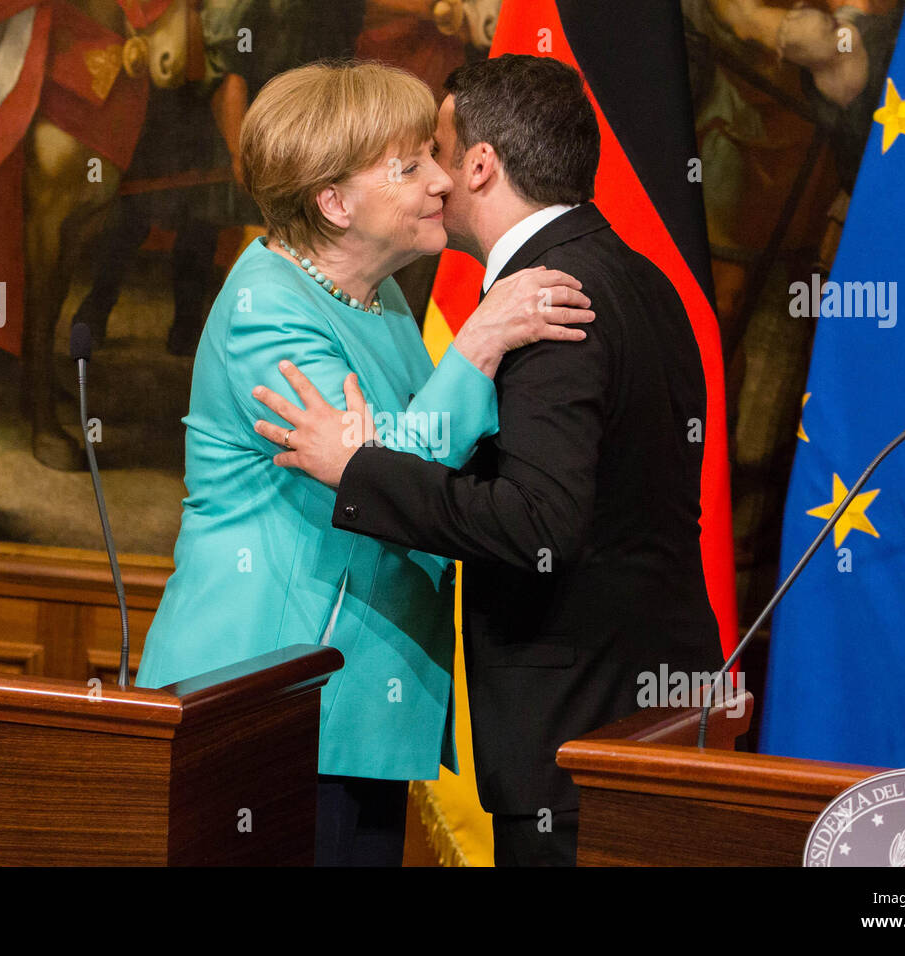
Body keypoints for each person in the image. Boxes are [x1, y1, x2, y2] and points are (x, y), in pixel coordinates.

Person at [251, 54, 723, 866]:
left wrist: (357, 467)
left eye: (435, 153)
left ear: (479, 165)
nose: (432, 179)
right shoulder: (638, 275)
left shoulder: (548, 300)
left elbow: (538, 524)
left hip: (578, 738)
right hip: (658, 708)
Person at [134, 60, 594, 867]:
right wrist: (482, 338)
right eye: (409, 166)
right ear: (334, 204)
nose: (443, 181)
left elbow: (407, 458)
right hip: (266, 706)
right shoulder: (265, 313)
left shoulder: (374, 296)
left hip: (355, 704)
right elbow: (379, 477)